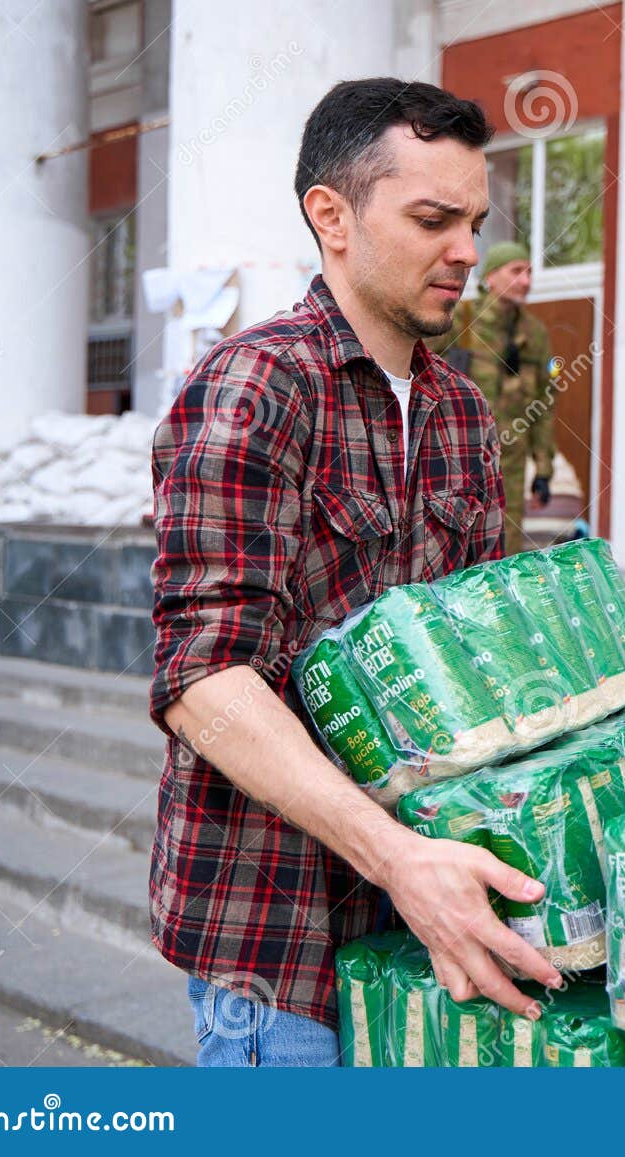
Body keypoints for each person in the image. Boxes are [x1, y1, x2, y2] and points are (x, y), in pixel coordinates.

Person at [149, 79, 565, 1067]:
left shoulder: (465, 411)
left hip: (430, 909)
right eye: (433, 218)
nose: (467, 250)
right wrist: (398, 858)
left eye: (474, 221)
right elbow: (203, 683)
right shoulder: (254, 386)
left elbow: (481, 657)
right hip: (282, 926)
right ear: (329, 216)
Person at [429, 240, 555, 552]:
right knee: (452, 545)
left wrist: (543, 468)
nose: (526, 281)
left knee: (506, 547)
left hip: (511, 459)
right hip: (457, 456)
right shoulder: (459, 319)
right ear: (491, 276)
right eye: (517, 271)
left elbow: (544, 401)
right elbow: (417, 374)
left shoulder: (534, 334)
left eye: (529, 273)